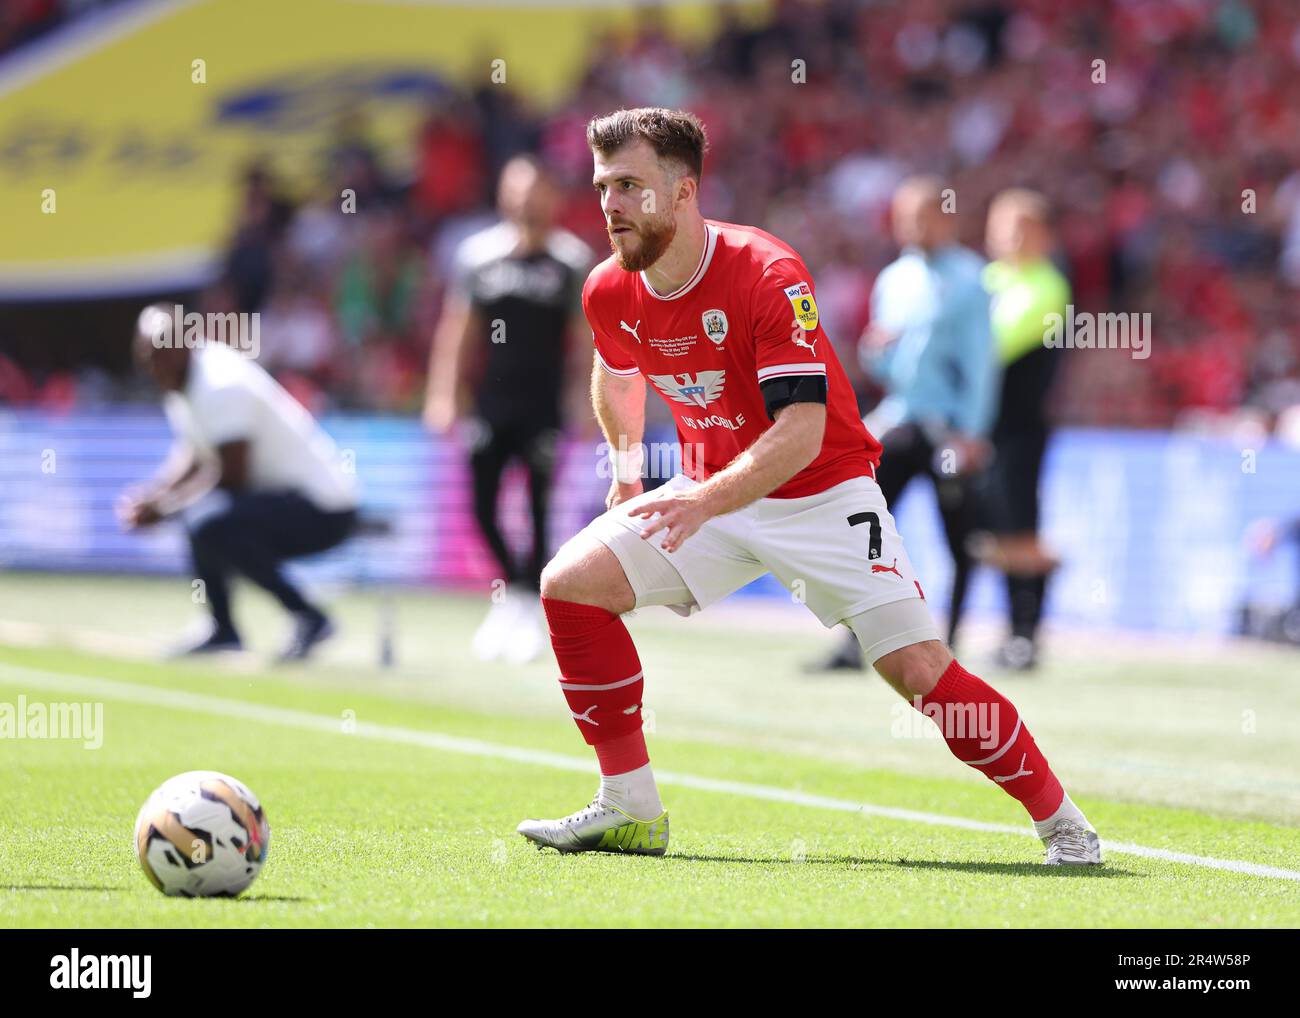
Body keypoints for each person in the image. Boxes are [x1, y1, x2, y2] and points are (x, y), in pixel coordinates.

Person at [515, 108, 1100, 866]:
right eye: (603, 187)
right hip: (711, 494)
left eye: (630, 185)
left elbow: (803, 431)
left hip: (822, 493)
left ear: (685, 190)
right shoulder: (609, 288)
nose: (610, 205)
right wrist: (628, 471)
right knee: (569, 586)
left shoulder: (765, 273)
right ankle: (629, 806)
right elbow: (617, 371)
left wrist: (700, 499)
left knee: (918, 672)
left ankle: (1066, 825)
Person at [808, 176, 999, 672]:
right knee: (859, 527)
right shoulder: (895, 278)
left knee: (960, 538)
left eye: (923, 216)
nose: (912, 226)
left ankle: (950, 645)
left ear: (946, 217)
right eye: (905, 217)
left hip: (948, 429)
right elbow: (884, 365)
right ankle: (855, 643)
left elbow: (982, 364)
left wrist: (974, 432)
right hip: (900, 419)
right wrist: (875, 351)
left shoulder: (971, 278)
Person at [423, 155, 592, 663]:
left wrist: (583, 400)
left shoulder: (571, 260)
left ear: (552, 197)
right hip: (491, 403)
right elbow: (457, 330)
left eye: (536, 189)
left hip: (542, 405)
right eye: (516, 189)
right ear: (503, 195)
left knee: (539, 507)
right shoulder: (479, 256)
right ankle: (516, 594)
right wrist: (442, 394)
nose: (526, 199)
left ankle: (527, 611)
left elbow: (584, 339)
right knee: (481, 506)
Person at [118, 305, 358, 660]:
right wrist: (154, 494)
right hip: (291, 500)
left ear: (186, 344)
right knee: (202, 517)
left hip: (324, 509)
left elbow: (232, 475)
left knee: (208, 519)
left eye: (161, 352)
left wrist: (164, 508)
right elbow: (196, 452)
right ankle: (223, 628)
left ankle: (308, 616)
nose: (153, 363)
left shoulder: (220, 383)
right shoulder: (185, 379)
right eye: (148, 353)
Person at [976, 189, 1071, 670]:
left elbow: (995, 344)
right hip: (986, 428)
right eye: (1002, 224)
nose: (1009, 236)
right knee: (993, 535)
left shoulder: (1046, 286)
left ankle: (1026, 636)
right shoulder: (988, 279)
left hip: (1020, 426)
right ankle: (1015, 631)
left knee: (1019, 533)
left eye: (1021, 226)